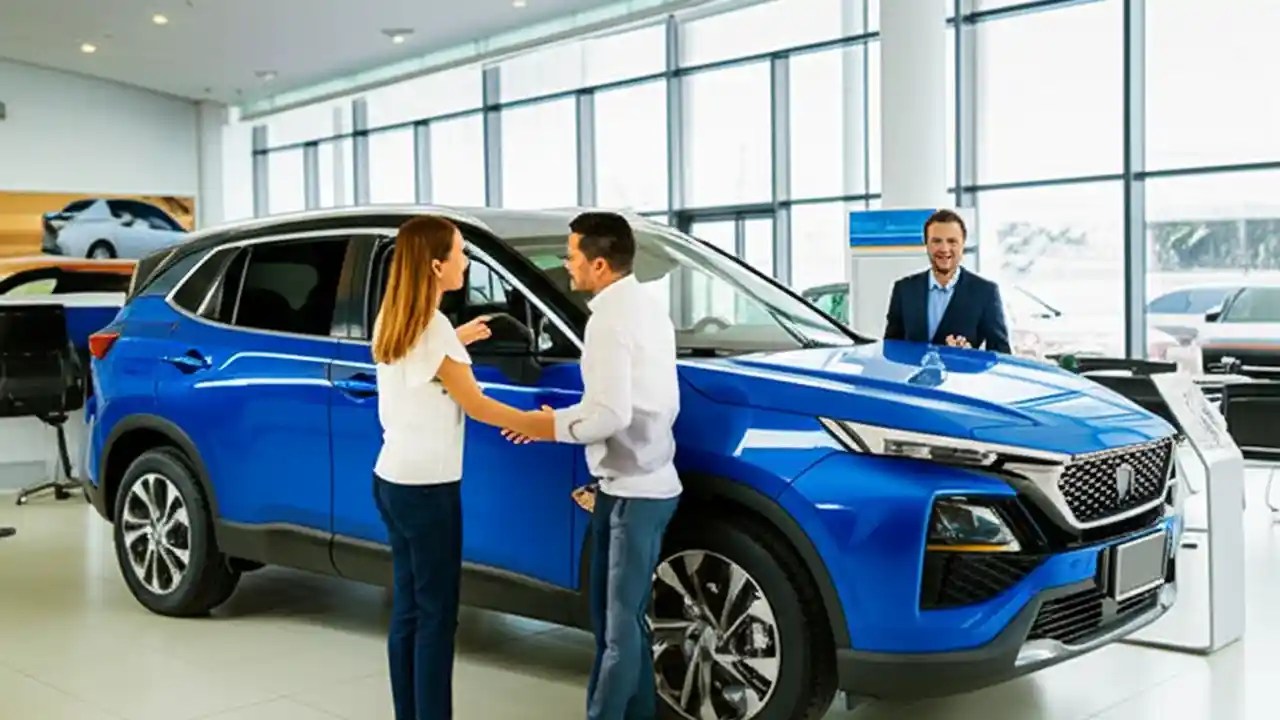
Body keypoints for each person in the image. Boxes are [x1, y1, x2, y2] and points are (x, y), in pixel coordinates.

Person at [503, 211, 681, 720]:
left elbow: (609, 413)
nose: (567, 265)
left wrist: (551, 428)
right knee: (622, 625)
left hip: (634, 492)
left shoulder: (608, 320)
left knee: (618, 632)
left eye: (572, 256)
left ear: (599, 264)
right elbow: (622, 402)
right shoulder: (647, 308)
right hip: (637, 483)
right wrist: (556, 420)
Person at [371, 214, 548, 720]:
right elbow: (477, 404)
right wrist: (542, 426)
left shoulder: (396, 318)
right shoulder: (434, 329)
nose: (466, 263)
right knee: (437, 618)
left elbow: (424, 360)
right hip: (428, 491)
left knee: (408, 609)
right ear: (434, 265)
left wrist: (458, 339)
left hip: (392, 479)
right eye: (461, 254)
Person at [883, 208, 1011, 353]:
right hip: (912, 375)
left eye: (952, 241)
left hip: (960, 375)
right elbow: (890, 349)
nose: (944, 249)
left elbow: (1002, 356)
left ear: (963, 244)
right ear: (926, 244)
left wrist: (973, 357)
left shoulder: (985, 292)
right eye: (937, 241)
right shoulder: (904, 289)